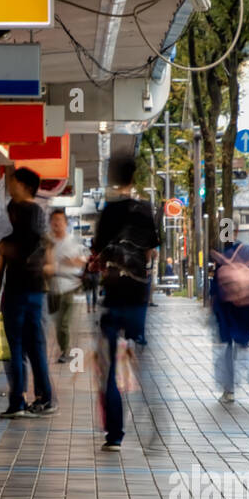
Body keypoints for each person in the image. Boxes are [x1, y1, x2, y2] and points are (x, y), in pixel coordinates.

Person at [91, 154, 159, 450]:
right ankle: (151, 414)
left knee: (108, 365)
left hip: (114, 295)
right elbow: (151, 254)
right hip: (138, 296)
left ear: (112, 178)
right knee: (140, 356)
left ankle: (115, 435)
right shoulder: (146, 208)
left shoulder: (108, 210)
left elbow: (98, 253)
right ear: (134, 177)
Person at [0, 166, 56, 418]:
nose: (9, 185)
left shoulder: (33, 213)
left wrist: (6, 249)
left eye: (13, 182)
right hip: (19, 288)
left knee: (28, 346)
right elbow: (3, 250)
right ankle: (21, 400)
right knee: (21, 346)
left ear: (25, 185)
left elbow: (29, 247)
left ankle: (36, 399)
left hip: (29, 289)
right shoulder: (12, 208)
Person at [211, 240, 249, 405]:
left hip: (228, 314)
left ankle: (229, 391)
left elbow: (215, 291)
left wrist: (215, 312)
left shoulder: (223, 262)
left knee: (229, 352)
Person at [46, 208, 85, 363]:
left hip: (70, 285)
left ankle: (65, 350)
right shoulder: (47, 241)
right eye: (54, 220)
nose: (57, 223)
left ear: (66, 223)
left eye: (60, 220)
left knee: (63, 321)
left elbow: (84, 260)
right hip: (52, 285)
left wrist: (71, 261)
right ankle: (62, 345)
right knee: (56, 320)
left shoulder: (73, 241)